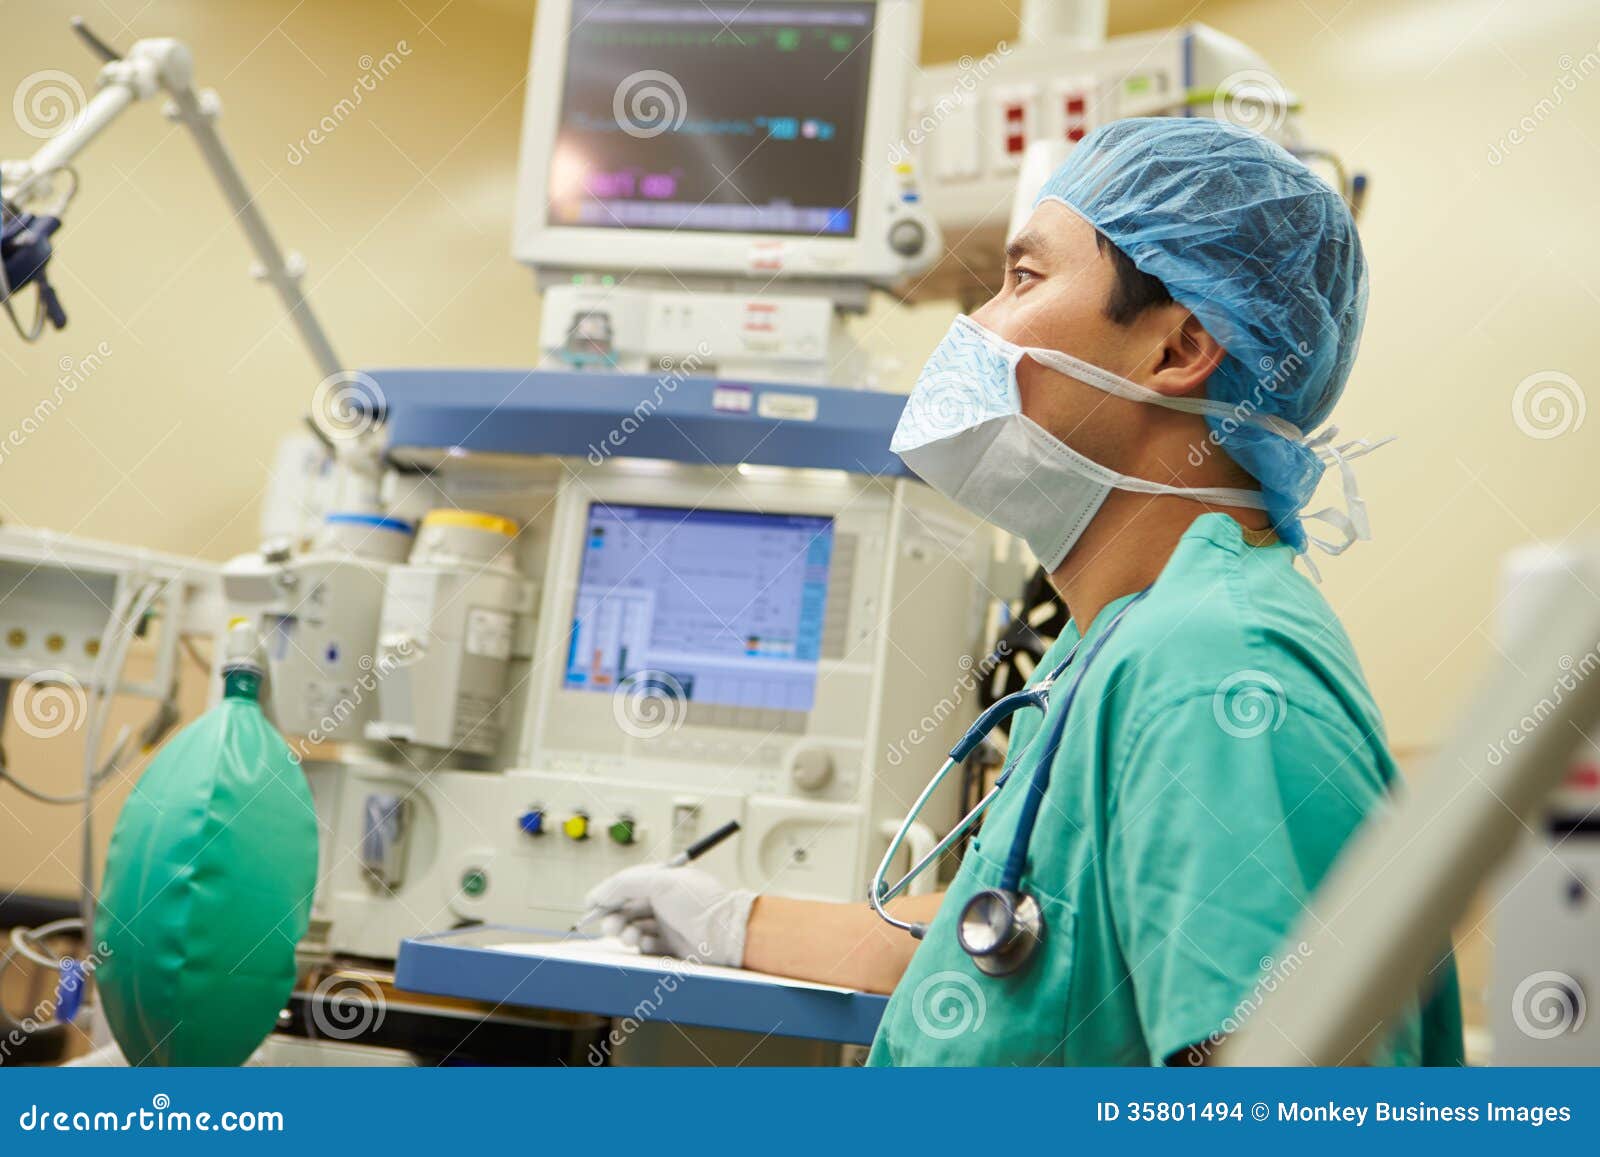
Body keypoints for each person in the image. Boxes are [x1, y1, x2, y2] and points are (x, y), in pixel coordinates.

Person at [583, 117, 1464, 1066]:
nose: (975, 329)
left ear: (1179, 349)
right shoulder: (1115, 645)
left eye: (1023, 280)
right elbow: (1016, 930)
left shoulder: (1217, 676)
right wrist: (729, 919)